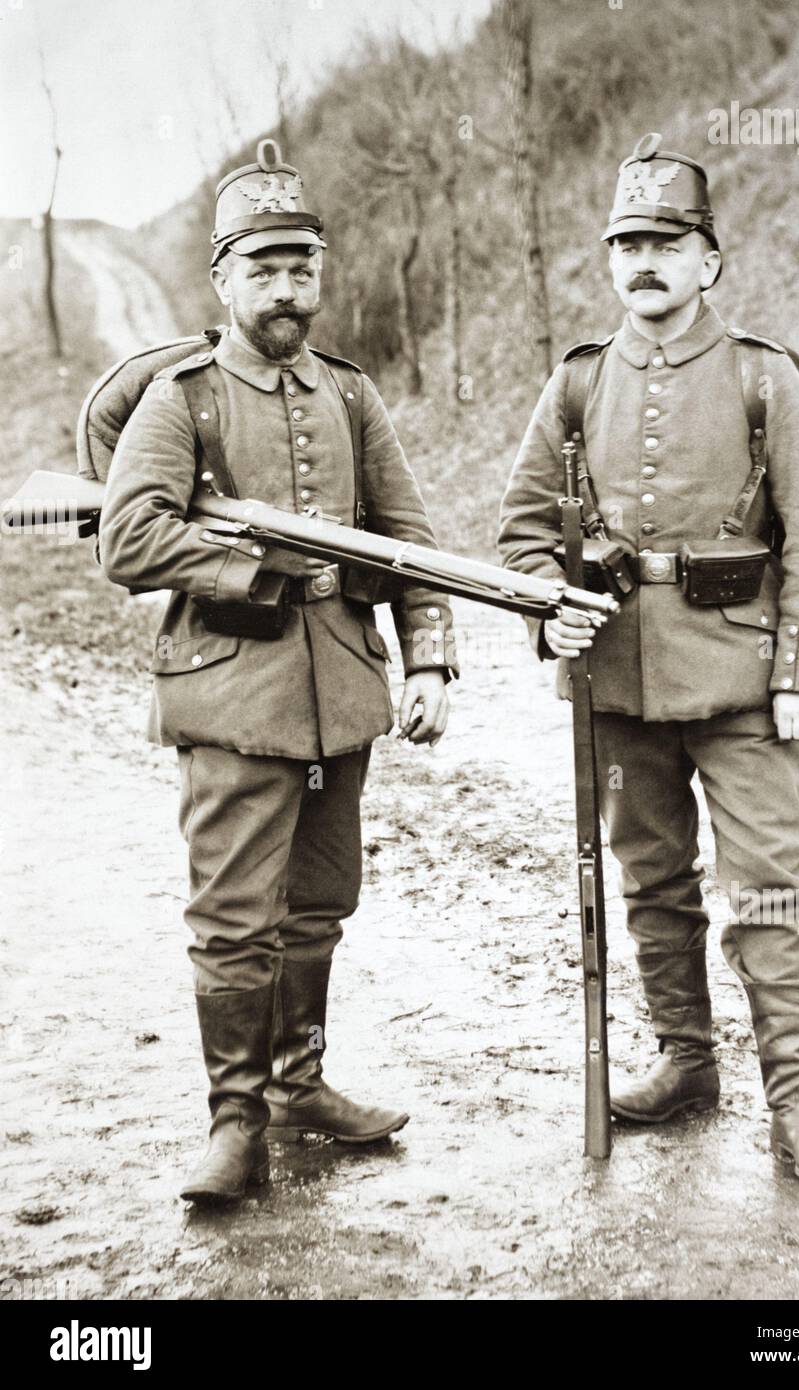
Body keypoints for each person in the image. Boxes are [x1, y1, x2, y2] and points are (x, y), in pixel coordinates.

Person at [99, 140, 458, 1204]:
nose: (286, 289)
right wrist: (252, 570)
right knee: (233, 918)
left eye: (301, 267)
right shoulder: (184, 400)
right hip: (230, 695)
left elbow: (409, 540)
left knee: (319, 905)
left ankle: (300, 1084)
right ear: (223, 279)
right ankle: (235, 1119)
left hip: (342, 693)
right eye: (263, 269)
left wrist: (429, 657)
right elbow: (129, 539)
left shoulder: (351, 396)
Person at [498, 132, 799, 1181]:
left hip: (745, 680)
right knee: (650, 879)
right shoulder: (574, 384)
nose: (643, 260)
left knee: (769, 888)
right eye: (626, 243)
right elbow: (520, 528)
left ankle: (796, 1102)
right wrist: (544, 609)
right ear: (609, 262)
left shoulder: (764, 378)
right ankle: (683, 1062)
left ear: (709, 258)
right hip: (616, 682)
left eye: (667, 240)